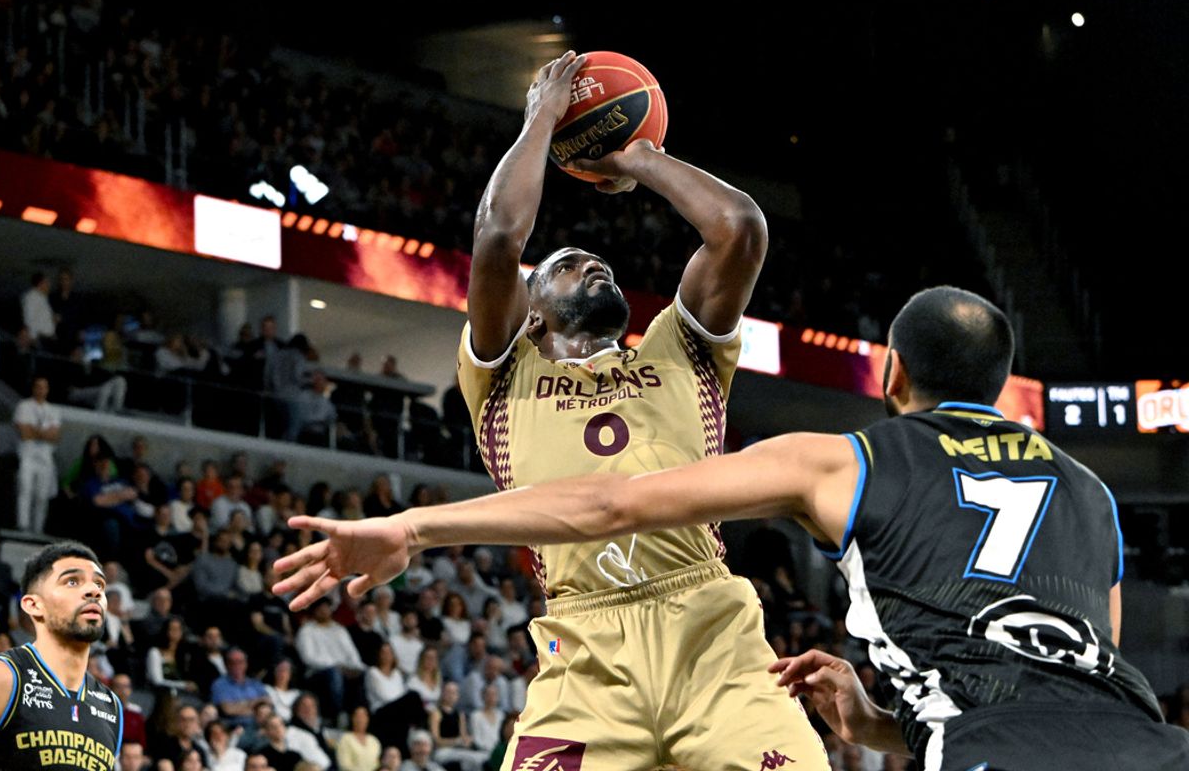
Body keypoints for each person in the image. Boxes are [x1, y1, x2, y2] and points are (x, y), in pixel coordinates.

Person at [274, 287, 1189, 770]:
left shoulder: (845, 458)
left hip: (998, 757)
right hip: (1150, 742)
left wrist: (415, 527)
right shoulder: (1095, 496)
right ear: (999, 384)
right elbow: (1063, 680)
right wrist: (874, 726)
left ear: (891, 373)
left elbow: (607, 504)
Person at [400, 49, 817, 769]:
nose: (594, 266)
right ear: (529, 317)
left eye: (602, 265)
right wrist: (541, 120)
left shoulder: (677, 350)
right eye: (566, 266)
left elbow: (739, 229)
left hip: (712, 638)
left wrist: (638, 158)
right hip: (585, 651)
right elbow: (499, 237)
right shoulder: (504, 377)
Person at [0, 542, 124, 769]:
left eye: (99, 583)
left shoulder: (111, 707)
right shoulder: (4, 677)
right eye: (72, 581)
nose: (94, 591)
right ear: (34, 605)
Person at [14, 376, 61, 533]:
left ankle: (38, 529)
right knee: (25, 489)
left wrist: (33, 430)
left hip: (45, 458)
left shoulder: (53, 410)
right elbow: (24, 433)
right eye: (38, 386)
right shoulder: (24, 406)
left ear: (47, 390)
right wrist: (43, 433)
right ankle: (23, 526)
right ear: (33, 388)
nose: (41, 390)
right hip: (28, 455)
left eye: (44, 387)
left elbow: (55, 436)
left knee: (42, 495)